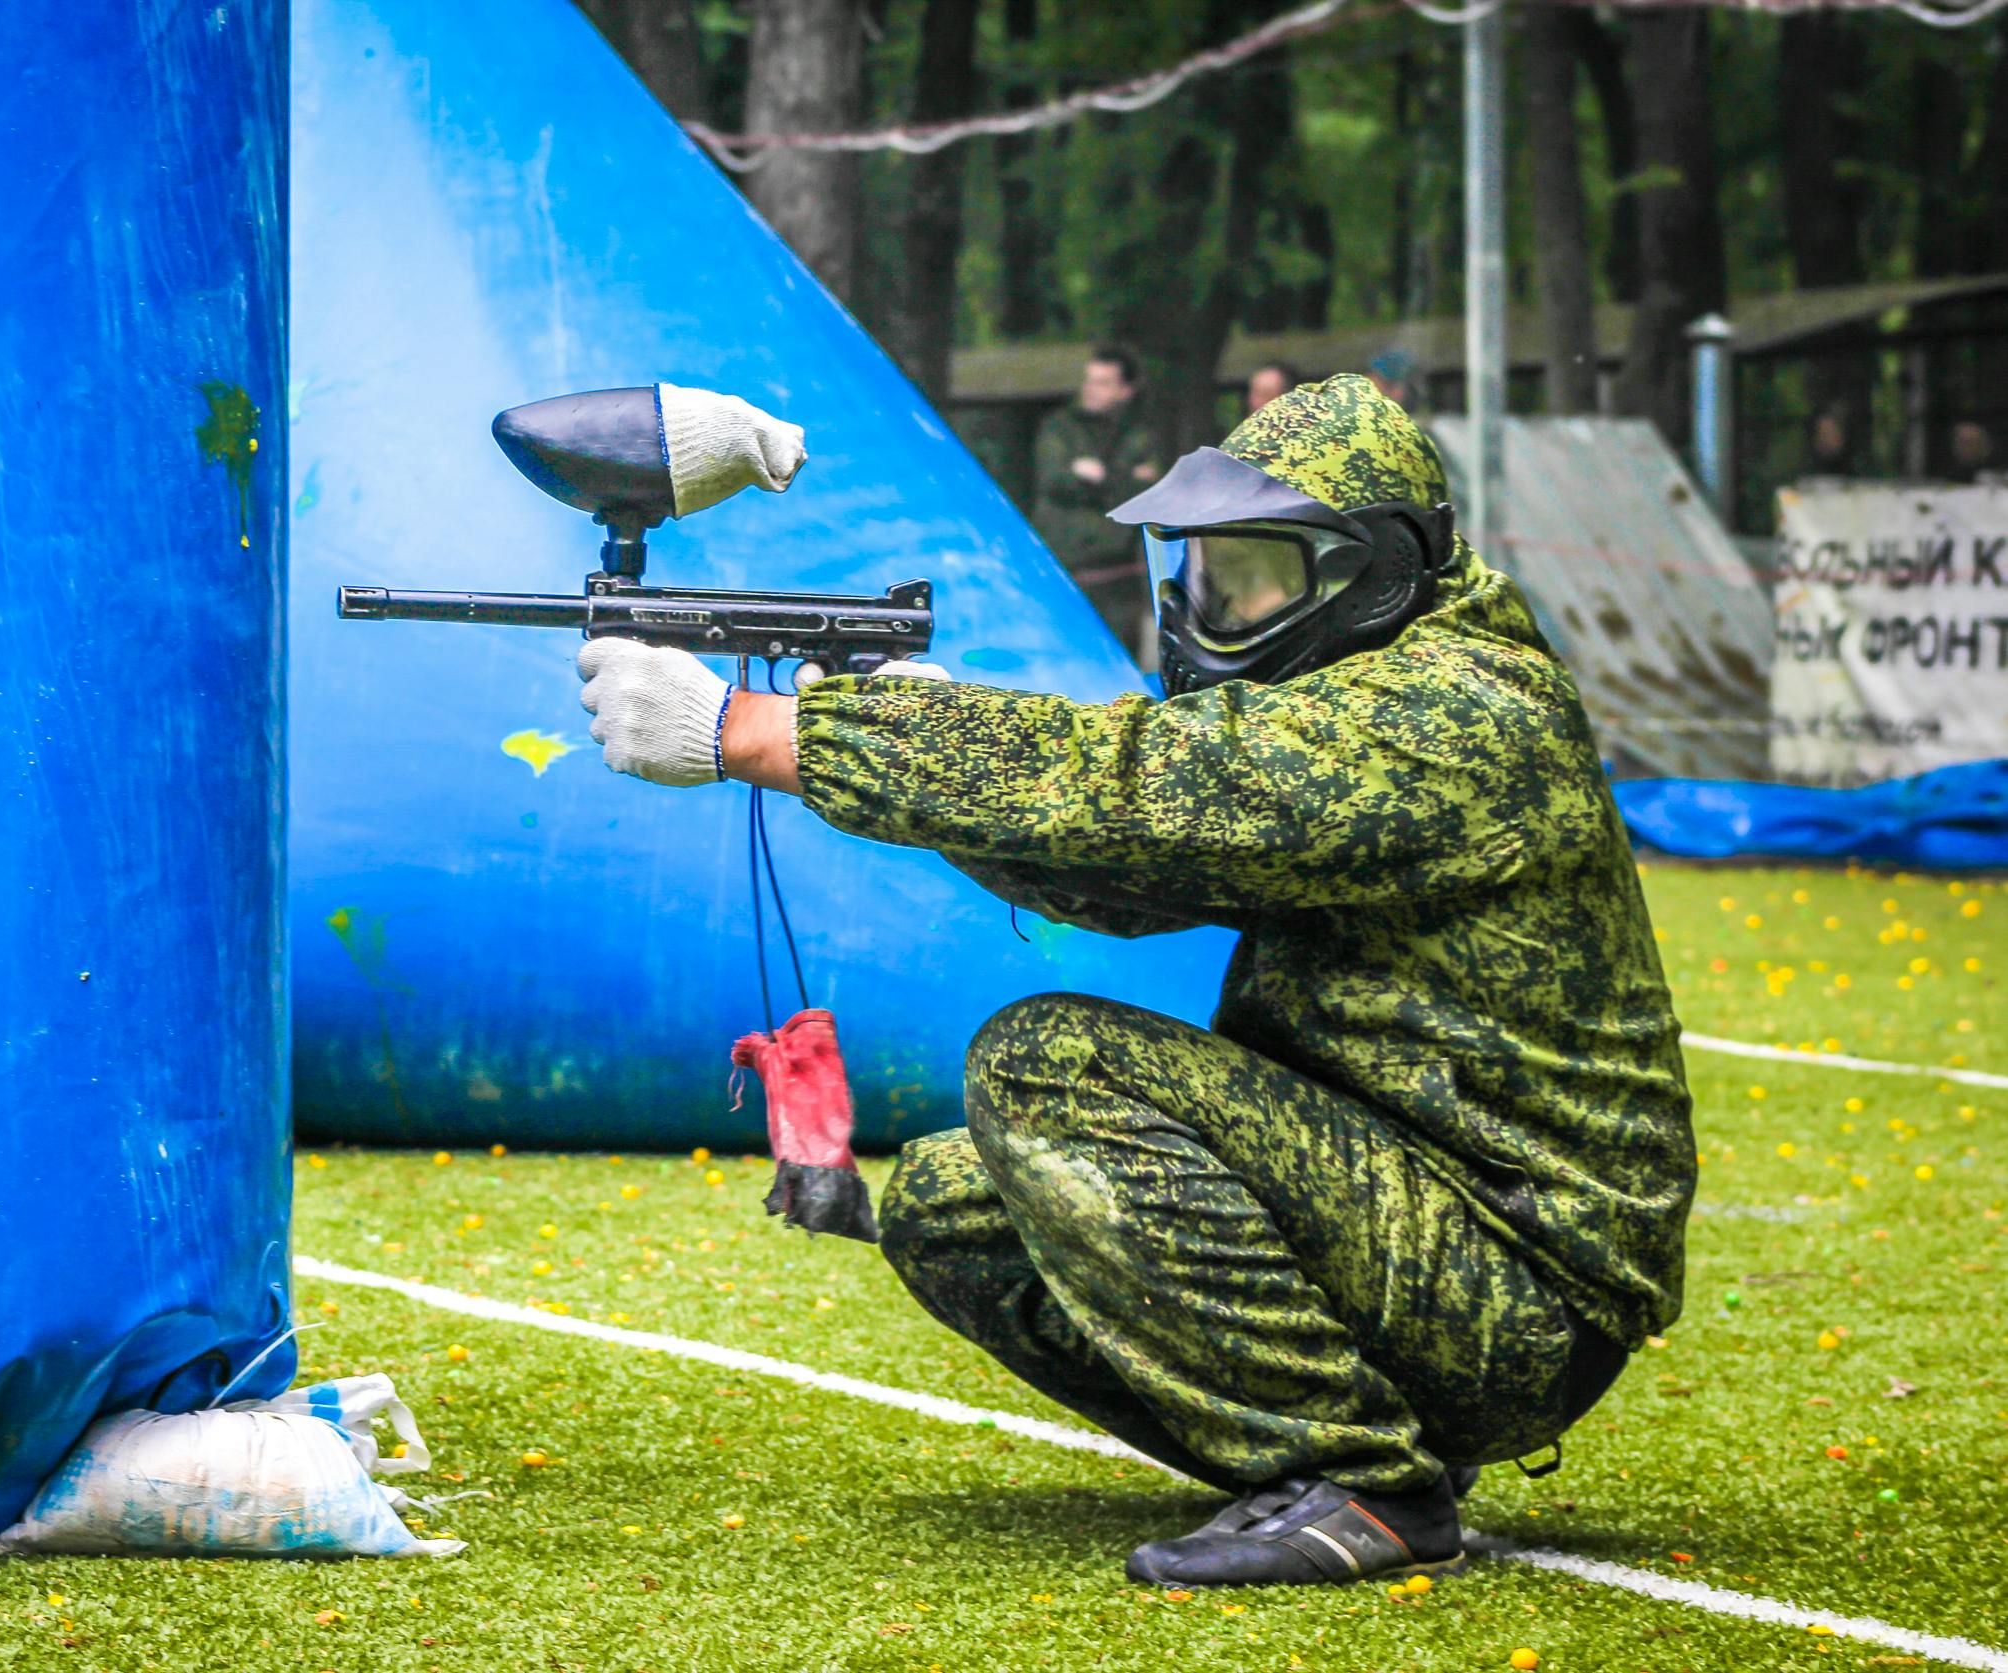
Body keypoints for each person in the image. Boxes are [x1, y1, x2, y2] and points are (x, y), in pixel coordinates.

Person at [573, 376, 1693, 1588]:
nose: (1225, 609)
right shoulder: (1359, 692)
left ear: (1379, 567)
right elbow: (1127, 871)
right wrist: (913, 736)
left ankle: (1366, 1481)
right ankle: (1354, 1437)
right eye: (1213, 574)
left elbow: (1143, 784)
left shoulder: (1460, 707)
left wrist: (762, 732)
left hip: (1516, 1281)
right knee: (953, 1202)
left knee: (1047, 1061)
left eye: (1262, 575)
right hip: (1406, 1232)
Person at [1031, 347, 1160, 658]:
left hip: (1118, 577)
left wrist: (1100, 477)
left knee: (1119, 667)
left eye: (1103, 382)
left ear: (1125, 390)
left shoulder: (1141, 434)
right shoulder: (1059, 427)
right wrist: (1120, 479)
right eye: (1090, 380)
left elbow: (1143, 495)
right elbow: (1055, 480)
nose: (1091, 389)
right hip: (1065, 567)